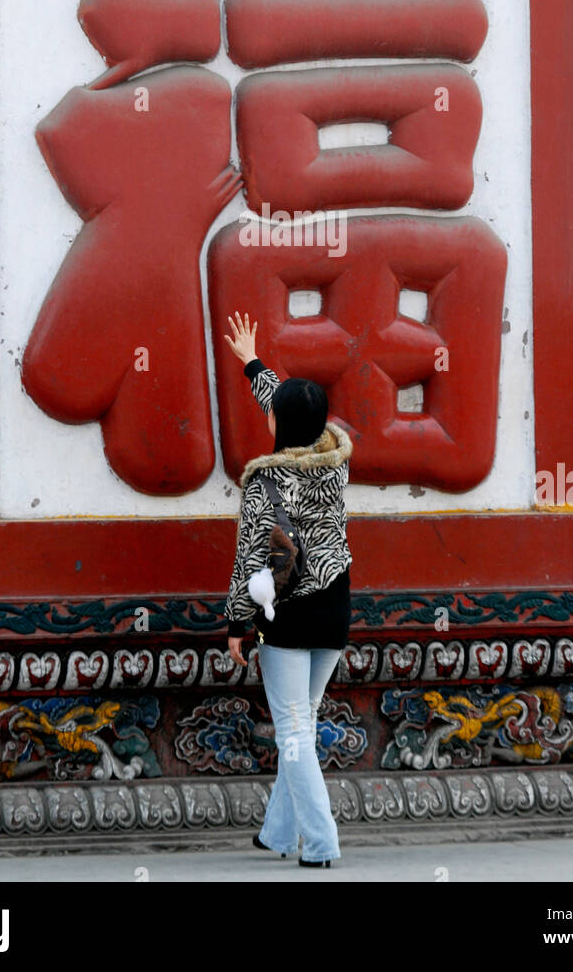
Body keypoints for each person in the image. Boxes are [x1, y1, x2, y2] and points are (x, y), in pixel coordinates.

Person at [223, 310, 353, 869]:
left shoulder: (268, 481)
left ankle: (320, 844)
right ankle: (278, 832)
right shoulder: (333, 458)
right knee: (305, 716)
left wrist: (235, 622)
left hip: (289, 612)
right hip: (336, 608)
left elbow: (254, 555)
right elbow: (293, 410)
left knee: (294, 726)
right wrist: (252, 364)